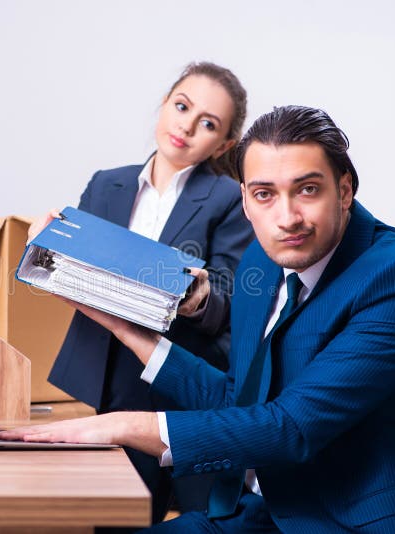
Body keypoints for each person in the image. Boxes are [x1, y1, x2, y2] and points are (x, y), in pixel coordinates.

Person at [1, 105, 395, 532]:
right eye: (265, 194)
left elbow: (291, 428)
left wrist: (120, 425)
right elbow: (240, 398)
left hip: (351, 521)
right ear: (245, 200)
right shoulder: (263, 266)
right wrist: (123, 326)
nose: (287, 217)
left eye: (308, 190)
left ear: (344, 190)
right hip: (264, 513)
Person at [30, 62, 255, 523]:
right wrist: (50, 245)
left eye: (208, 123)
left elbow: (230, 300)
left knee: (198, 514)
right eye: (182, 106)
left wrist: (193, 293)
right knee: (105, 514)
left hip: (175, 384)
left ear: (225, 144)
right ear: (164, 105)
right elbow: (71, 271)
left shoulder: (228, 197)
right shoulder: (106, 182)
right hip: (100, 376)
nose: (187, 126)